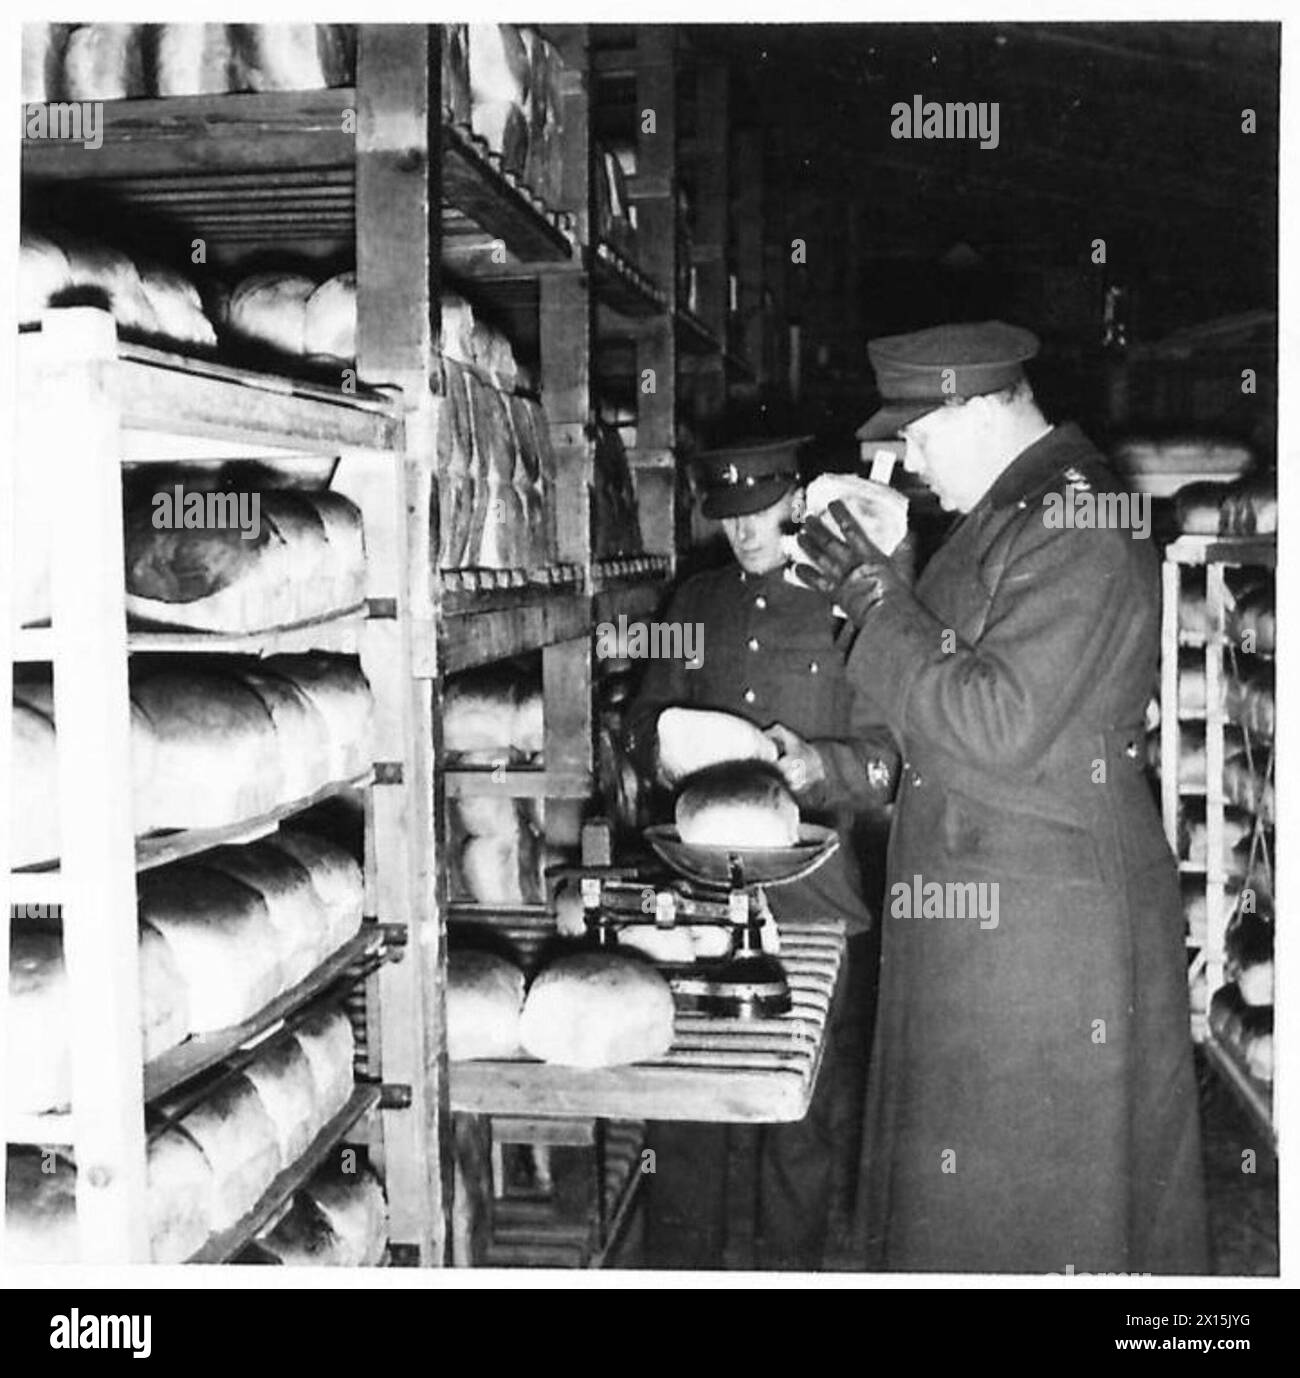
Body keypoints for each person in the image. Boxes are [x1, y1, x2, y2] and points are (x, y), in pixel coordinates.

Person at [794, 320, 1209, 1274]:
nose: (911, 460)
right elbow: (932, 685)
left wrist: (869, 590)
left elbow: (996, 719)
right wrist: (890, 567)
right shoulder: (1016, 513)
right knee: (972, 1204)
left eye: (920, 436)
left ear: (976, 409)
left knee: (1032, 1206)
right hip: (993, 910)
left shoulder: (1081, 520)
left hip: (1044, 931)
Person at [624, 436, 898, 1271]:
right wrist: (658, 752)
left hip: (816, 897)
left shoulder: (851, 608)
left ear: (798, 503)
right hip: (701, 895)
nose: (745, 532)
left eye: (762, 512)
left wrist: (827, 767)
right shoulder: (695, 602)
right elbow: (642, 720)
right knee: (687, 1108)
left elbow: (890, 756)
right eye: (729, 515)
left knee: (802, 1122)